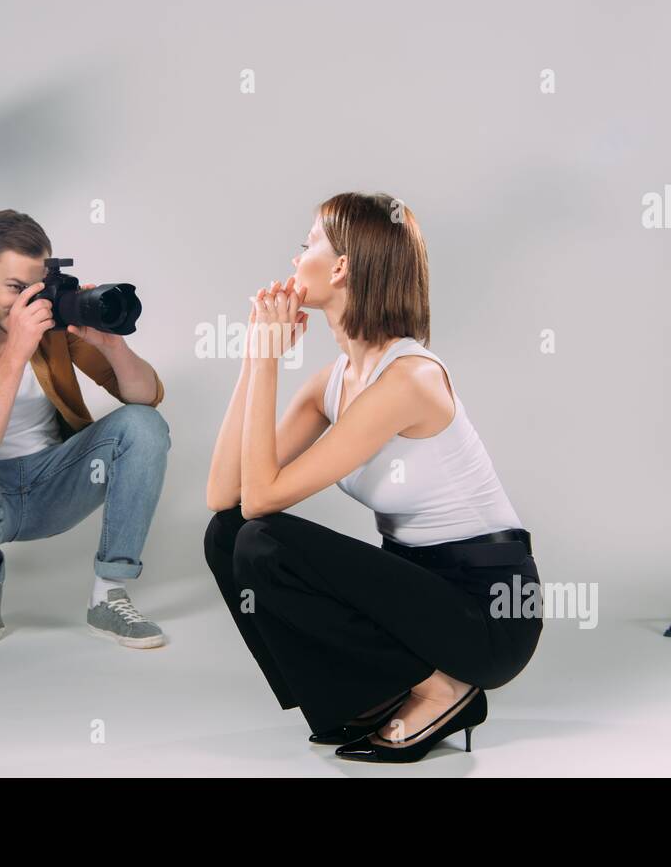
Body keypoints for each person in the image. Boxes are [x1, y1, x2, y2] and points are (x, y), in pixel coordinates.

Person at [204, 191, 543, 763]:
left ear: (341, 267)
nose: (295, 259)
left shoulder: (408, 380)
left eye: (307, 243)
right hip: (418, 595)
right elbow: (226, 494)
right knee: (226, 533)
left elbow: (262, 499)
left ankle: (443, 688)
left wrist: (269, 360)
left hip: (487, 610)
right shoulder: (334, 381)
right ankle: (366, 698)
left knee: (262, 540)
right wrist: (252, 359)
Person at [0, 209, 171, 647]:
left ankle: (109, 595)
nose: (29, 302)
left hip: (56, 480)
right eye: (15, 288)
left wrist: (112, 346)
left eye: (36, 287)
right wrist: (14, 353)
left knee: (145, 425)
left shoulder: (52, 319)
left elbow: (145, 397)